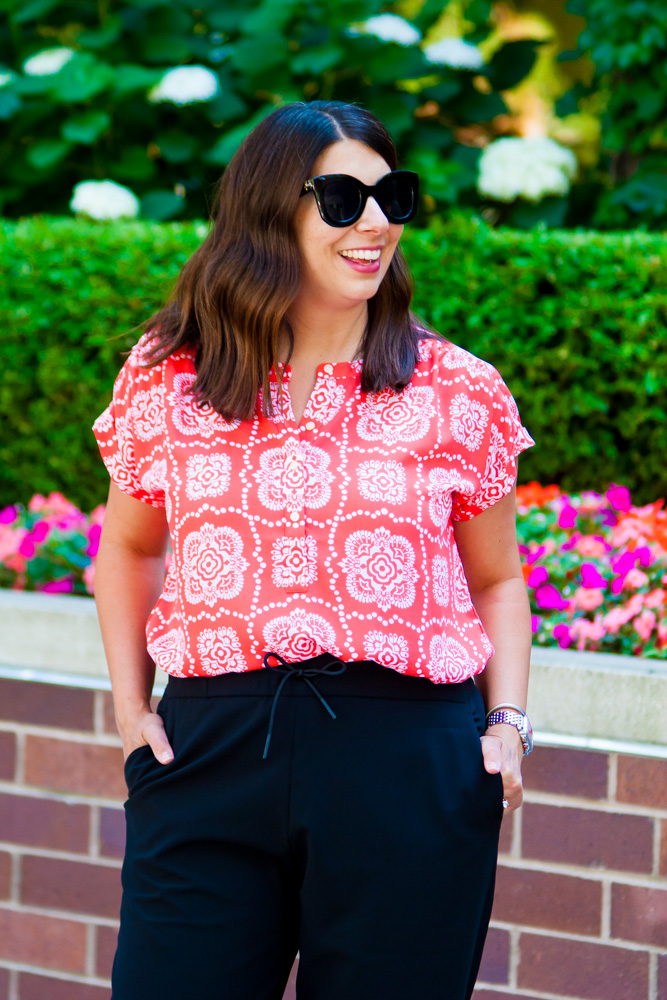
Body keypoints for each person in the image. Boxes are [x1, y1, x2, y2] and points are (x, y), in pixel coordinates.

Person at [93, 100, 535, 1000]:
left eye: (391, 197)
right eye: (342, 198)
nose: (375, 223)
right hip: (210, 747)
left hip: (407, 759)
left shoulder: (458, 389)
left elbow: (495, 577)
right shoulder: (170, 377)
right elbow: (130, 551)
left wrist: (506, 729)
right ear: (268, 211)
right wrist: (131, 710)